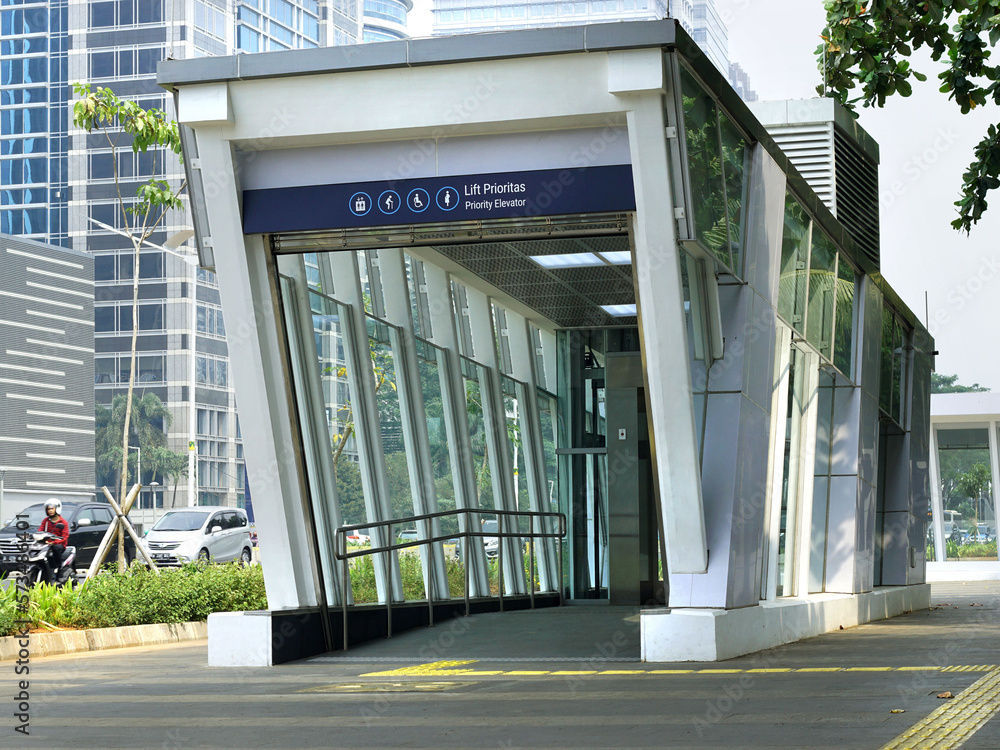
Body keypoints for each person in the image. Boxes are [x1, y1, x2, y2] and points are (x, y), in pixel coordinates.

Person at [38, 499, 69, 584]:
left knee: (56, 548)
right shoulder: (46, 521)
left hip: (58, 545)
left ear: (57, 509)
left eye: (52, 508)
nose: (50, 511)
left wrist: (53, 542)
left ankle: (59, 568)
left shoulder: (63, 522)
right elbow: (40, 531)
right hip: (47, 544)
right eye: (48, 509)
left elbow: (64, 538)